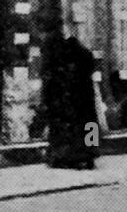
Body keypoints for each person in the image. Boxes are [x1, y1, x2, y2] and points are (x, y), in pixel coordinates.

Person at [41, 26, 102, 169]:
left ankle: (67, 155)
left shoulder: (59, 57)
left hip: (69, 99)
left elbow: (52, 82)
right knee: (89, 122)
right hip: (85, 98)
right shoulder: (84, 55)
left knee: (68, 127)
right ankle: (91, 152)